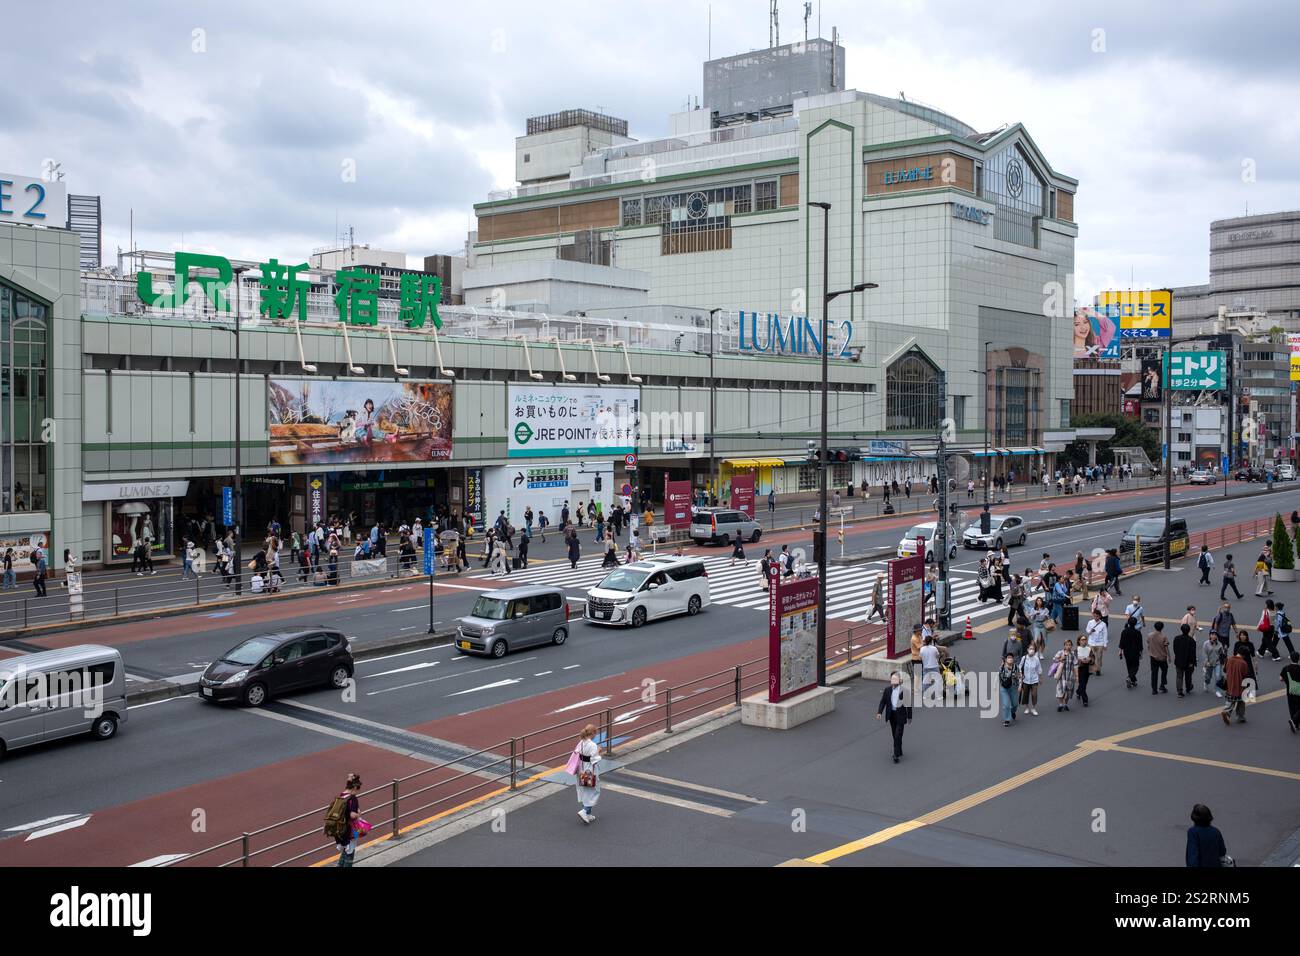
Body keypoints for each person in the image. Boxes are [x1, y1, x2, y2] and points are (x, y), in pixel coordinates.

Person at [875, 672, 911, 763]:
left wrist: (909, 717)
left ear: (899, 681)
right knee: (895, 734)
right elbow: (883, 702)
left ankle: (895, 755)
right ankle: (899, 749)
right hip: (891, 715)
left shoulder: (904, 691)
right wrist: (879, 712)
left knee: (898, 734)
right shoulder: (887, 690)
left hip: (901, 715)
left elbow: (908, 705)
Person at [329, 773, 364, 868]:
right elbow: (352, 815)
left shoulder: (342, 795)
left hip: (340, 830)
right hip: (351, 830)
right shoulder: (353, 798)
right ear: (355, 787)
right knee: (350, 852)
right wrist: (359, 814)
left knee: (345, 850)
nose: (358, 792)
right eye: (358, 789)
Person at [571, 724, 602, 823]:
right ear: (592, 733)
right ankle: (585, 811)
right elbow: (594, 759)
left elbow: (577, 753)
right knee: (594, 790)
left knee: (586, 790)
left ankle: (588, 814)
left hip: (582, 768)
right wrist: (598, 751)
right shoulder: (592, 745)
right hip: (590, 769)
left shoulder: (581, 742)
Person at [1221, 645, 1250, 725]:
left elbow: (1225, 670)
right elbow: (1245, 675)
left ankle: (1226, 712)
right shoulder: (1243, 663)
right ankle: (1240, 716)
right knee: (1241, 701)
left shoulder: (1229, 659)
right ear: (1244, 655)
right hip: (1239, 685)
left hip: (1230, 683)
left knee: (1230, 700)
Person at [1173, 623, 1198, 698]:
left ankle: (1179, 691)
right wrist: (1193, 662)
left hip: (1179, 661)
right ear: (1189, 630)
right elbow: (1193, 653)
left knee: (1179, 676)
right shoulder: (1191, 640)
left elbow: (1175, 649)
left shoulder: (1176, 638)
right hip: (1188, 662)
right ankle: (1188, 687)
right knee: (1188, 675)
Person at [1118, 615, 1143, 688]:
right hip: (1135, 652)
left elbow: (1121, 642)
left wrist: (1120, 651)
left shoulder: (1124, 631)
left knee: (1129, 665)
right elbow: (1140, 644)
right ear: (1135, 623)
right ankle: (1129, 677)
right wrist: (1140, 653)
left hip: (1126, 651)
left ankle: (1133, 681)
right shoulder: (1137, 633)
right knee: (1136, 666)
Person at [1053, 638, 1077, 712]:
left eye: (1070, 645)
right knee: (1060, 690)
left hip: (1070, 675)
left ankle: (1065, 704)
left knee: (1068, 691)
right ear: (1064, 646)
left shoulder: (1073, 654)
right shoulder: (1060, 652)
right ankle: (1060, 704)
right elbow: (1054, 659)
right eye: (1067, 645)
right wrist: (1060, 659)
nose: (1068, 646)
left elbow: (1075, 664)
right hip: (1061, 675)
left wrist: (1076, 675)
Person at [1019, 642, 1042, 716]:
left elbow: (1039, 668)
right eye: (1030, 649)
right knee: (1025, 694)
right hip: (1025, 680)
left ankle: (1033, 708)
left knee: (1034, 694)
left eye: (1033, 649)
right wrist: (1020, 675)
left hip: (1034, 679)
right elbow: (1020, 667)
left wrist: (1040, 677)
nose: (1031, 650)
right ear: (1027, 649)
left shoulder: (1036, 659)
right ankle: (1027, 707)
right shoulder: (1024, 658)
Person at [1279, 651, 1300, 733]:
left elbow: (1280, 678)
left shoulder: (1286, 668)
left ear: (1290, 658)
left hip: (1290, 691)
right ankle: (1294, 721)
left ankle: (1295, 725)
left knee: (1292, 707)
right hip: (1299, 692)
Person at [1147, 620, 1170, 694]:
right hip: (1162, 658)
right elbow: (1166, 648)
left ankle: (1154, 689)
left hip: (1153, 657)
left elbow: (1148, 642)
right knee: (1164, 671)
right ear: (1162, 628)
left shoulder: (1149, 635)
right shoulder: (1164, 637)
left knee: (1154, 673)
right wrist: (1169, 656)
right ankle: (1162, 685)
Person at [1085, 608, 1108, 677]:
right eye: (1094, 616)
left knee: (1098, 657)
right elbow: (1087, 630)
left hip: (1100, 643)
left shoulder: (1103, 624)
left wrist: (1105, 644)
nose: (1095, 617)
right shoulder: (1090, 622)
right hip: (1091, 642)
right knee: (1090, 657)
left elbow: (1105, 634)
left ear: (1100, 616)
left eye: (1097, 616)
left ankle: (1098, 669)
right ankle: (1090, 669)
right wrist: (1090, 631)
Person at [998, 654, 1020, 726]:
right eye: (1008, 658)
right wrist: (1008, 670)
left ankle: (1013, 712)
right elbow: (1001, 677)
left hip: (1013, 688)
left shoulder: (1016, 667)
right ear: (1006, 659)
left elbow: (1020, 676)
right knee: (1006, 705)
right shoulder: (1002, 668)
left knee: (1015, 704)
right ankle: (1006, 719)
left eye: (1011, 658)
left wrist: (1020, 685)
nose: (1010, 659)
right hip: (1004, 688)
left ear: (1013, 659)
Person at [1075, 633, 1094, 706]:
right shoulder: (1076, 650)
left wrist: (1089, 659)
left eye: (1085, 640)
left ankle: (1078, 692)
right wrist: (1081, 661)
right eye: (1082, 640)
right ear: (1079, 641)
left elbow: (1093, 658)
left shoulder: (1089, 649)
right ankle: (1085, 700)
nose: (1084, 641)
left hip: (1087, 668)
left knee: (1084, 684)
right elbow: (1074, 660)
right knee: (1082, 684)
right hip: (1079, 668)